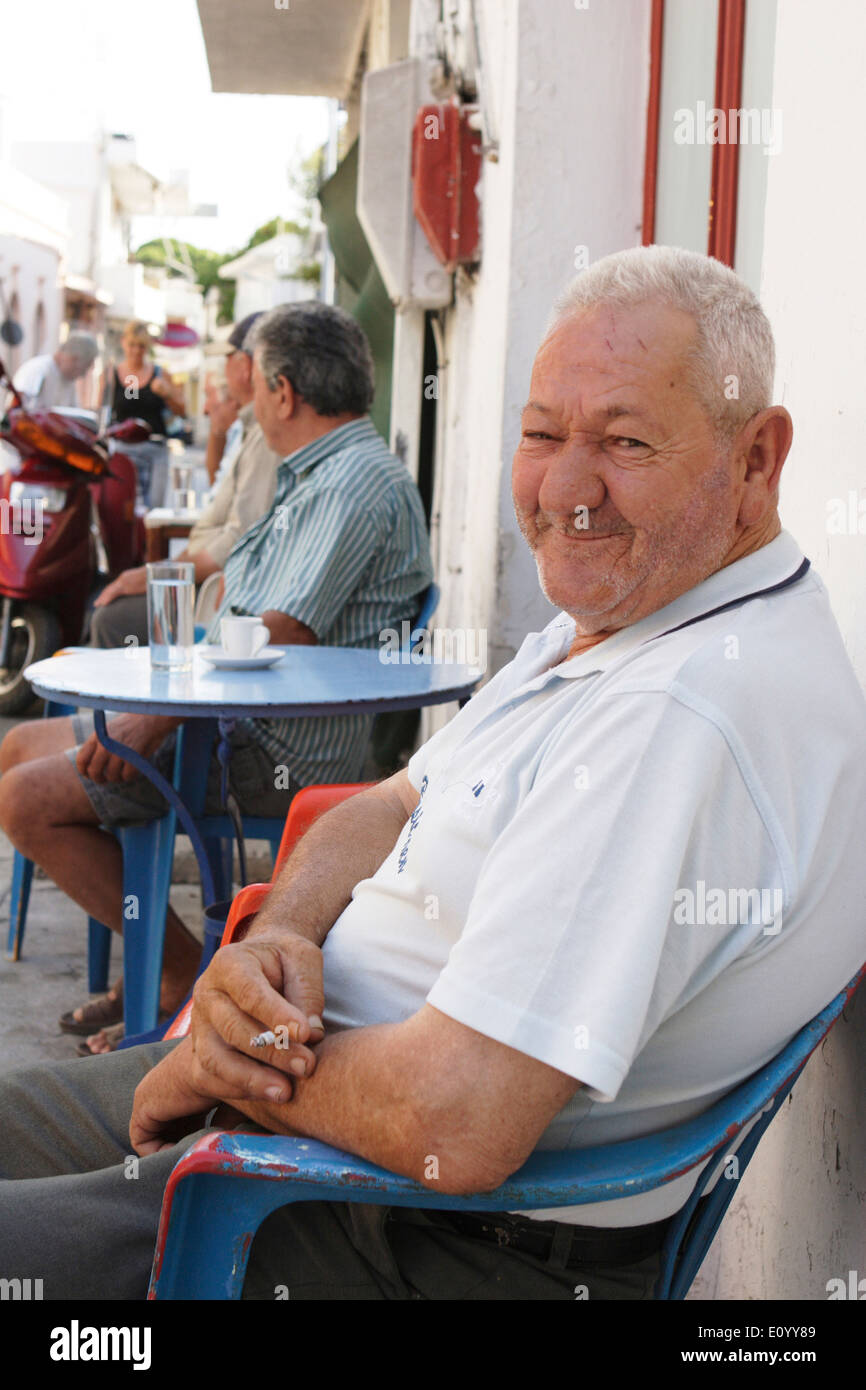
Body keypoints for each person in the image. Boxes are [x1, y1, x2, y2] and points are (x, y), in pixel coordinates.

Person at [1, 247, 864, 1302]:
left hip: (377, 1219)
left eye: (626, 441)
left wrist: (225, 1059)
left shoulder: (676, 715)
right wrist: (278, 937)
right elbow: (393, 799)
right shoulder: (625, 619)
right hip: (308, 1107)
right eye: (542, 433)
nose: (565, 487)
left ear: (755, 459)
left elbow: (454, 1119)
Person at [0, 301, 433, 1054]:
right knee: (16, 749)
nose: (251, 401)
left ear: (284, 391)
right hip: (238, 720)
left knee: (23, 797)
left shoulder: (349, 484)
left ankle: (176, 977)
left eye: (256, 386)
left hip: (270, 749)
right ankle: (152, 964)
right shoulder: (321, 474)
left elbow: (281, 631)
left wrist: (160, 715)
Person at [89, 313, 281, 649]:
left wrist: (159, 575)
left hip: (156, 456)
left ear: (248, 367)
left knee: (111, 617)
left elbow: (239, 537)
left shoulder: (264, 435)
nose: (206, 409)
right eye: (131, 344)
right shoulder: (251, 430)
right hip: (123, 454)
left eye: (230, 358)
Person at [103, 320, 186, 509]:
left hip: (155, 449)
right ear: (123, 343)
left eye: (141, 346)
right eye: (132, 345)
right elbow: (102, 410)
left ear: (147, 347)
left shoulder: (159, 374)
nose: (136, 351)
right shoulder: (112, 374)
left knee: (154, 510)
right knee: (123, 507)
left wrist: (168, 393)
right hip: (123, 449)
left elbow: (182, 411)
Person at [12, 333, 99, 410]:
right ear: (73, 359)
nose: (81, 375)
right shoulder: (38, 370)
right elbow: (19, 408)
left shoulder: (69, 380)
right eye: (81, 371)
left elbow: (74, 412)